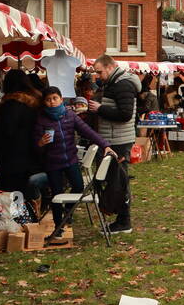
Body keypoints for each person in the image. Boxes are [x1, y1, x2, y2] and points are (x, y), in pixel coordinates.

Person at [33, 87, 114, 245]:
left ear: (61, 99)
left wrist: (105, 145)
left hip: (70, 160)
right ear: (44, 102)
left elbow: (88, 131)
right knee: (56, 195)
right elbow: (35, 147)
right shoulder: (41, 119)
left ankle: (67, 213)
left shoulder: (69, 115)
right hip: (52, 163)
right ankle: (59, 227)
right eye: (48, 99)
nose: (52, 102)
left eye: (55, 98)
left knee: (78, 187)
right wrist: (40, 143)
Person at [89, 55, 140, 234]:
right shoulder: (113, 84)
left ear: (110, 67)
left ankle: (124, 221)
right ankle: (121, 218)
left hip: (119, 140)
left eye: (99, 71)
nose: (98, 76)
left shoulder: (123, 85)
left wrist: (100, 109)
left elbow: (125, 114)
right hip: (113, 139)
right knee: (115, 180)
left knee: (119, 182)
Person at [0, 69, 47, 212]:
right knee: (25, 197)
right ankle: (30, 224)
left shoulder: (10, 104)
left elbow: (4, 133)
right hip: (33, 157)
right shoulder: (35, 102)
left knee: (13, 198)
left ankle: (20, 227)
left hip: (12, 159)